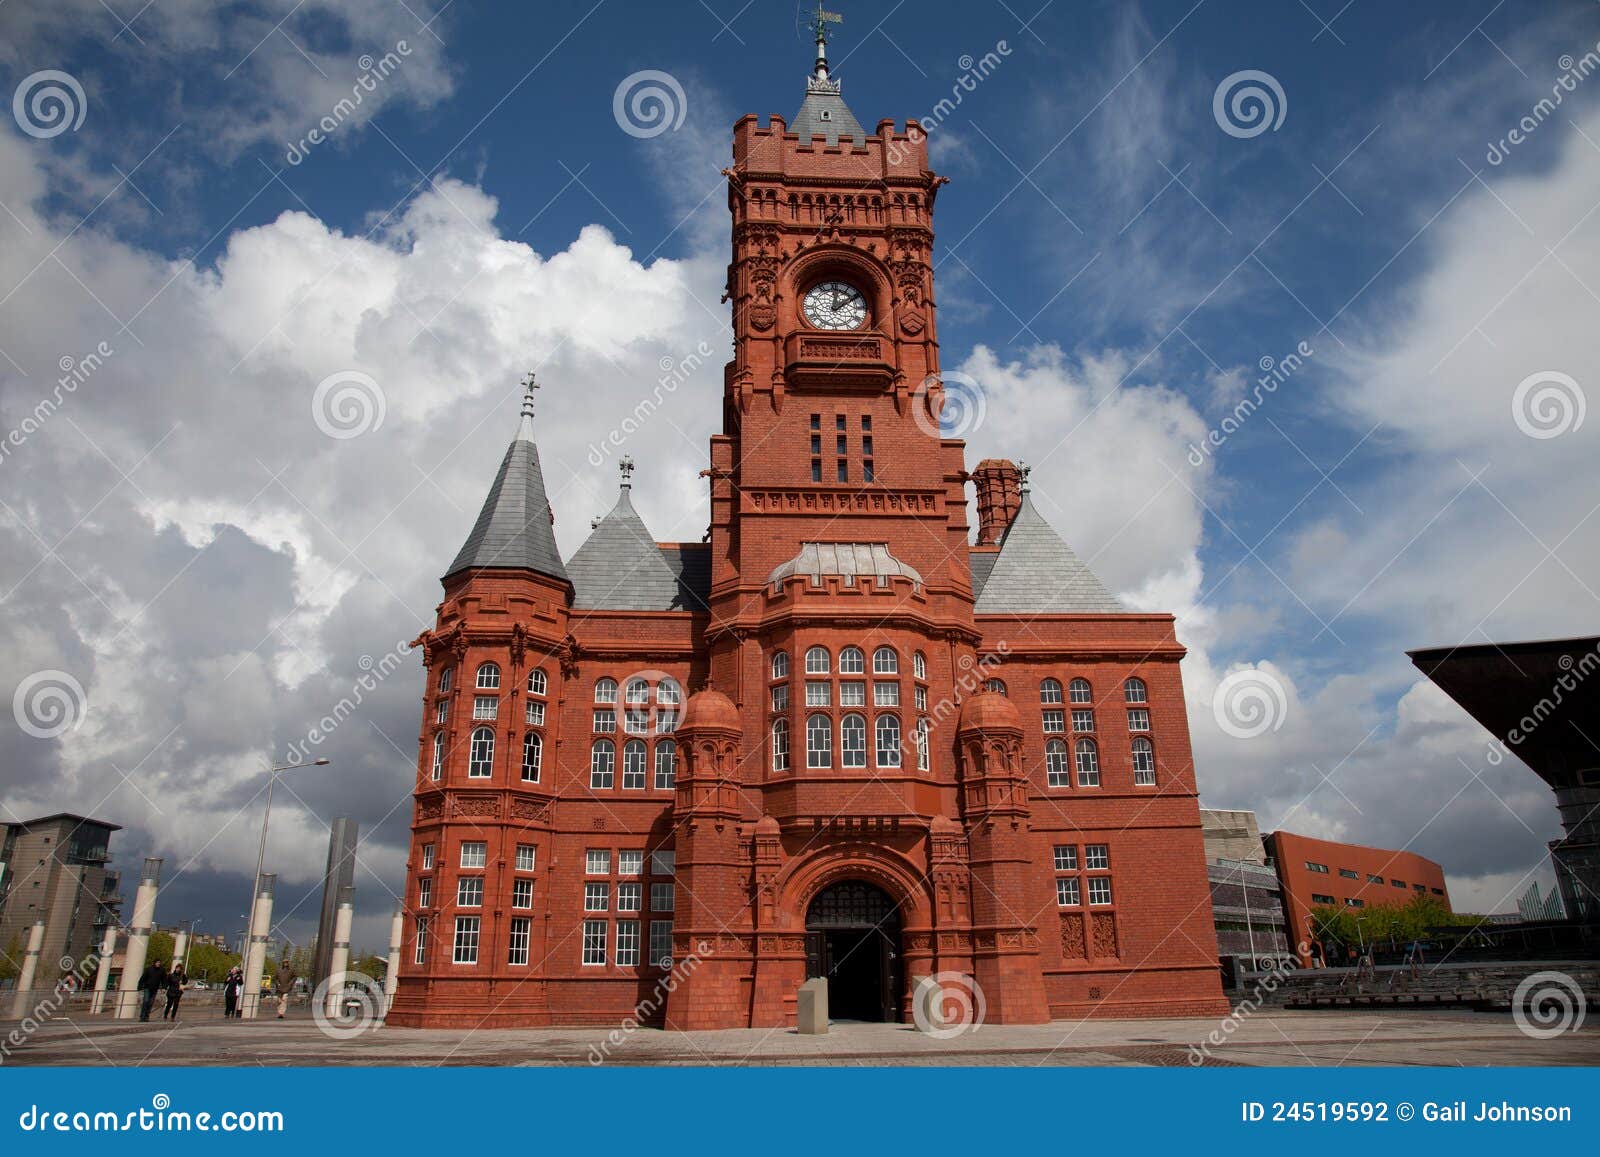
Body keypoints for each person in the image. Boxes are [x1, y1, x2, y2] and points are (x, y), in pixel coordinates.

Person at [136, 958, 167, 1022]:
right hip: (147, 988)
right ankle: (142, 1016)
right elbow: (143, 978)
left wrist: (164, 987)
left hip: (155, 989)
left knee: (151, 1003)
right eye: (157, 962)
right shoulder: (149, 969)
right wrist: (139, 987)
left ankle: (147, 1016)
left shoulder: (162, 970)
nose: (158, 964)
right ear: (154, 963)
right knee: (146, 1001)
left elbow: (164, 979)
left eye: (159, 962)